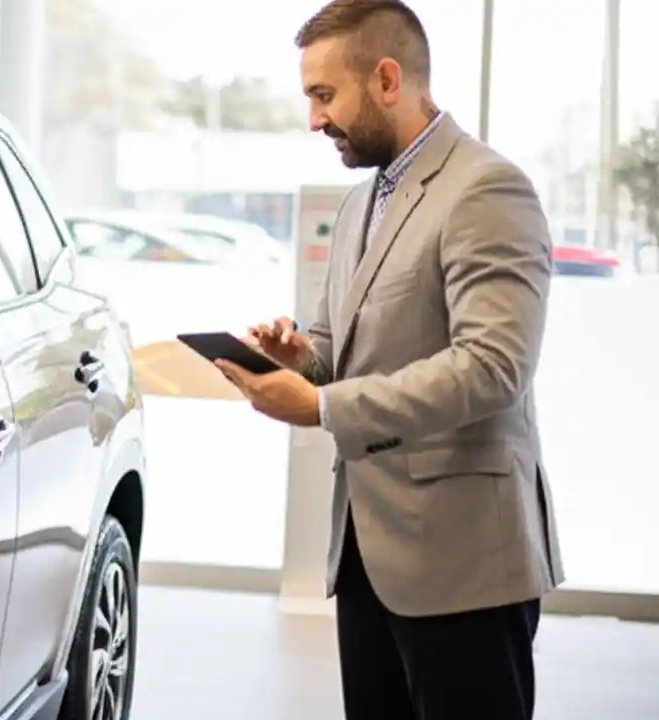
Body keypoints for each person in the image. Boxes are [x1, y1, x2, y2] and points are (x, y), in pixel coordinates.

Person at [213, 1, 564, 718]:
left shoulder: (486, 189)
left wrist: (321, 407)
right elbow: (342, 352)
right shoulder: (358, 205)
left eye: (324, 95)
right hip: (369, 552)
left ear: (387, 79)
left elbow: (494, 366)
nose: (315, 120)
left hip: (463, 561)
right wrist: (301, 359)